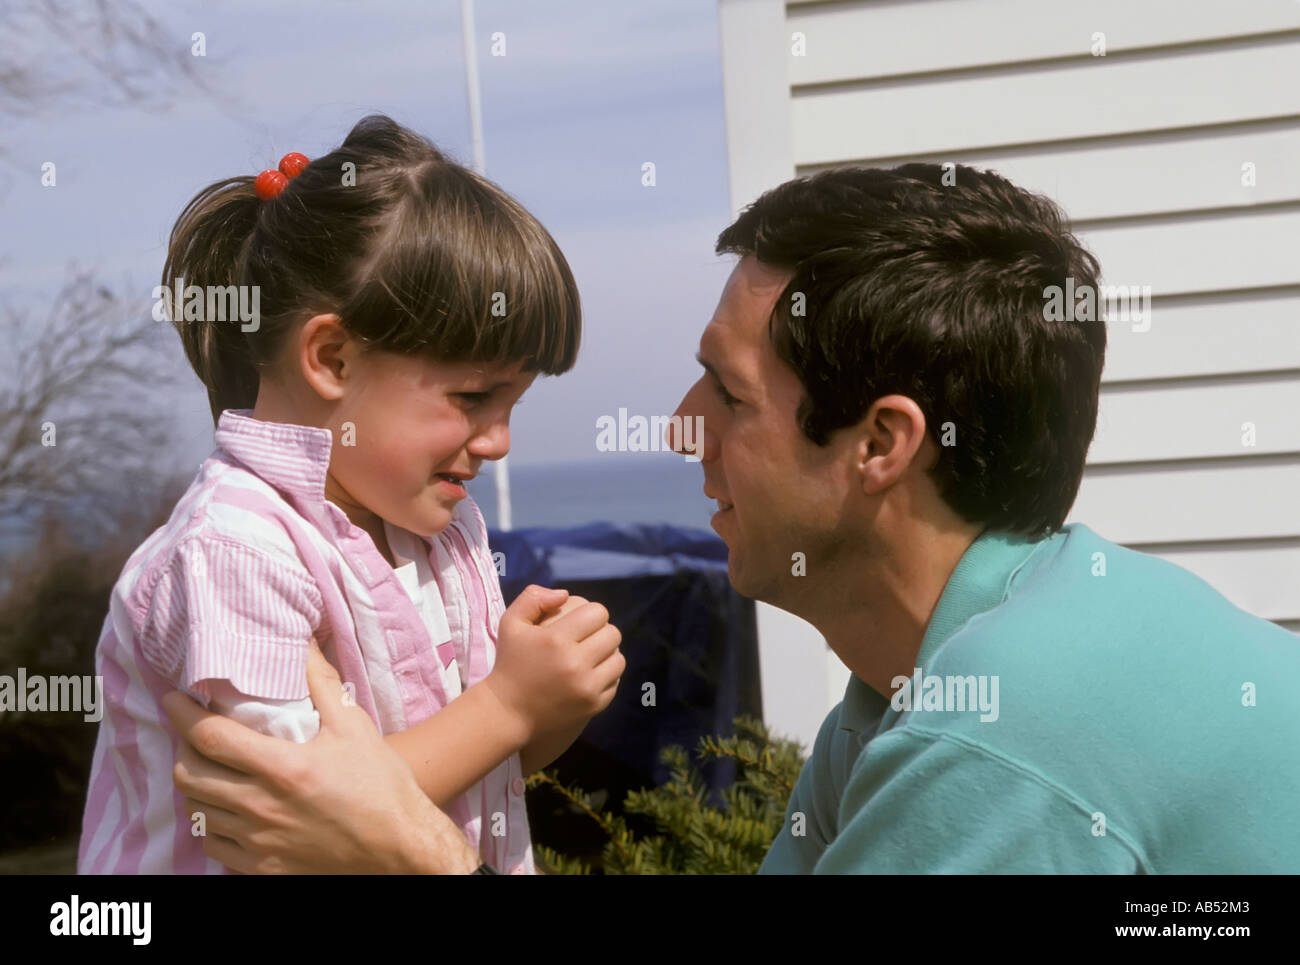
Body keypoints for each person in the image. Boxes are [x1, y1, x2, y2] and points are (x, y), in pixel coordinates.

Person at [166, 162, 1300, 874]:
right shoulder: (924, 685)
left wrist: (409, 852)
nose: (679, 424)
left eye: (729, 391)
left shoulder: (996, 739)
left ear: (879, 445)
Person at [78, 114, 625, 875]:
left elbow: (465, 771)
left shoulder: (432, 527)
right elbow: (305, 820)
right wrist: (507, 704)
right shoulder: (235, 549)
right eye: (474, 398)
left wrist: (548, 704)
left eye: (514, 405)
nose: (499, 440)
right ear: (332, 356)